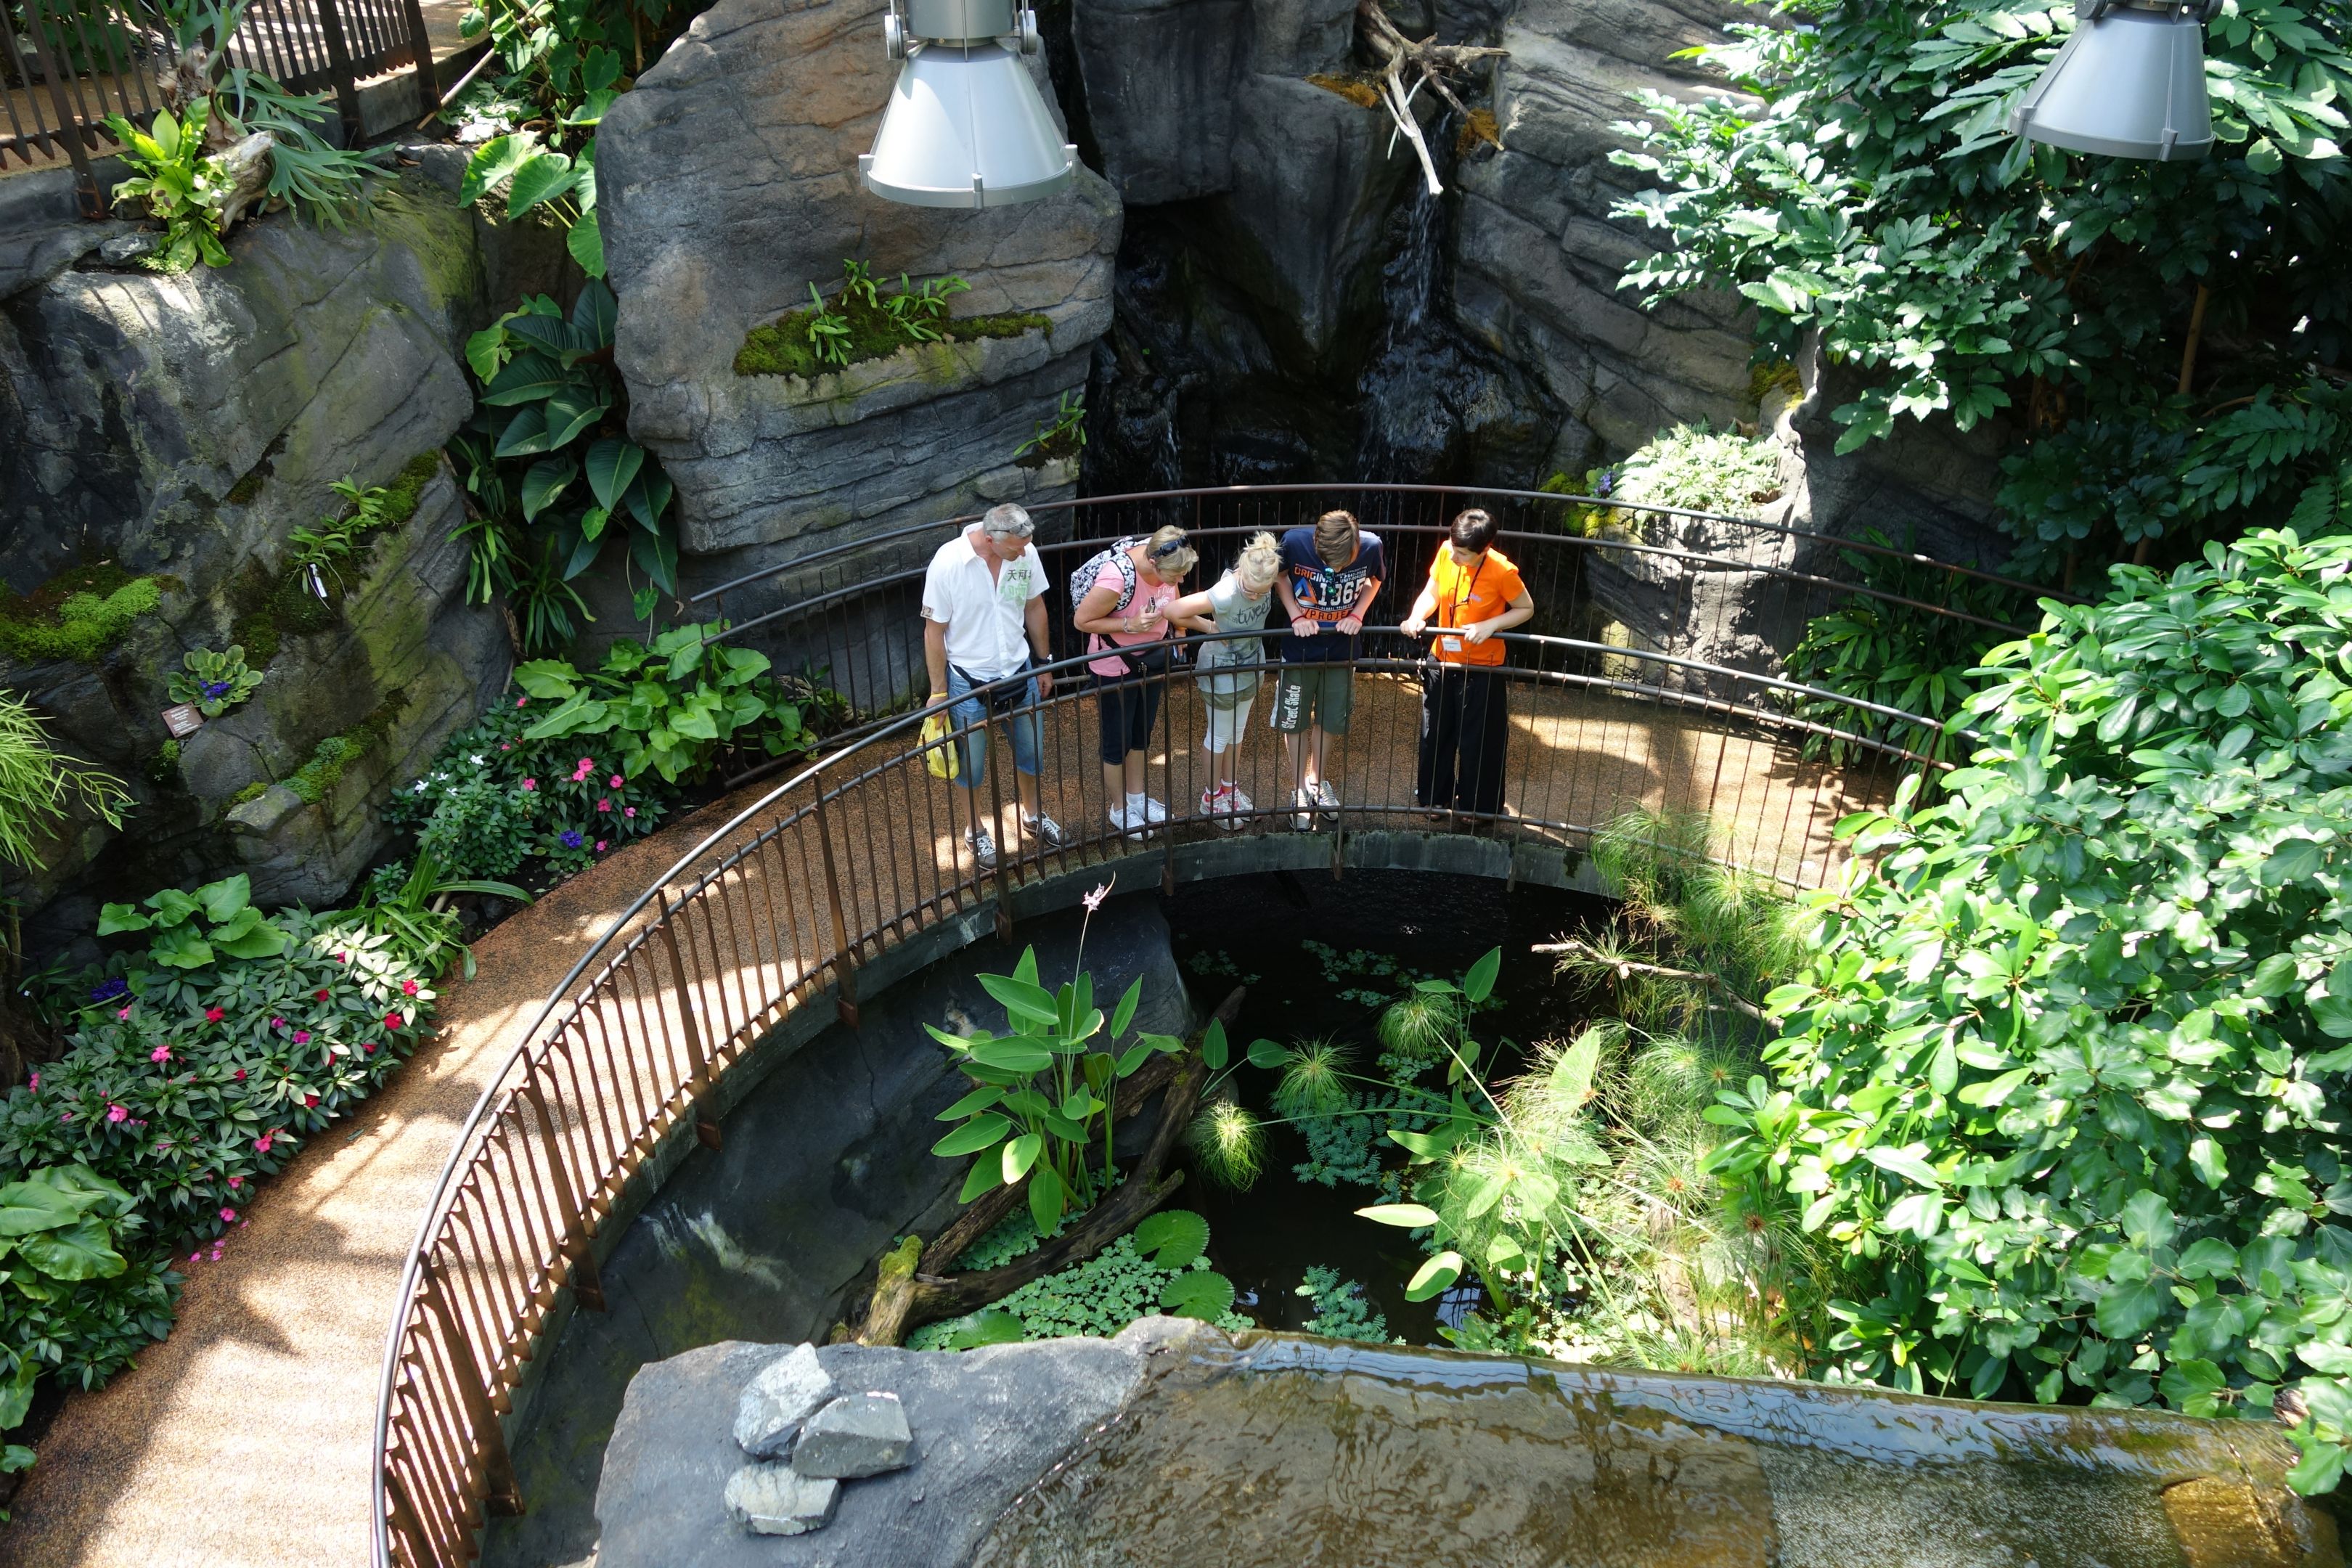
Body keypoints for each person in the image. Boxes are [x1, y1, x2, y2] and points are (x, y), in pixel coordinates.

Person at [920, 503, 1064, 870]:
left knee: (1032, 753)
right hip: (969, 682)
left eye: (1026, 544)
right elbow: (934, 632)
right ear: (990, 539)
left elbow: (1035, 606)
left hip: (1019, 672)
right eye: (1017, 546)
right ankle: (975, 831)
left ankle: (1032, 815)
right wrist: (938, 692)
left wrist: (1044, 663)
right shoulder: (949, 563)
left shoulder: (1023, 552)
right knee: (971, 766)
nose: (1024, 552)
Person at [1399, 507, 1534, 820]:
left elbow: (1525, 607)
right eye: (1454, 549)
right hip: (1442, 659)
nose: (1455, 557)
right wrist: (1417, 616)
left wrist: (1492, 625)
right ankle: (1434, 799)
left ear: (1485, 549)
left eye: (1463, 554)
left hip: (1483, 667)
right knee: (1435, 733)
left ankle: (1478, 808)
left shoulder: (1503, 571)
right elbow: (1432, 592)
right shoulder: (1448, 551)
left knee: (1480, 739)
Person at [1071, 526, 1205, 838]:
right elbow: (1082, 621)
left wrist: (1181, 631)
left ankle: (1136, 797)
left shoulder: (1164, 557)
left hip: (1151, 660)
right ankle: (1119, 809)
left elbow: (1172, 595)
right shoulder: (1117, 578)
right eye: (1176, 574)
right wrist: (1128, 624)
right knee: (1116, 741)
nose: (1181, 580)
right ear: (1155, 564)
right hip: (1115, 666)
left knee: (1140, 734)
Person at [1273, 509, 1384, 830]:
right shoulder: (1294, 541)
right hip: (1299, 651)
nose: (1335, 569)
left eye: (1342, 563)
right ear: (1317, 541)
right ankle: (1297, 789)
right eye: (1329, 561)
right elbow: (1279, 576)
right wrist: (1295, 615)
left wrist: (1358, 613)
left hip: (1341, 650)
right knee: (1293, 718)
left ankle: (1317, 782)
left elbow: (1374, 580)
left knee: (1331, 717)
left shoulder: (1371, 546)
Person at [1164, 531, 1281, 828]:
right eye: (1250, 591)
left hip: (1252, 666)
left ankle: (1230, 788)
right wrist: (1210, 627)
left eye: (1261, 592)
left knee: (1237, 733)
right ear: (1241, 572)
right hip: (1221, 670)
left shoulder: (1268, 572)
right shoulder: (1226, 592)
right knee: (1219, 734)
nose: (1255, 596)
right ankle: (1211, 798)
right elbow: (1172, 610)